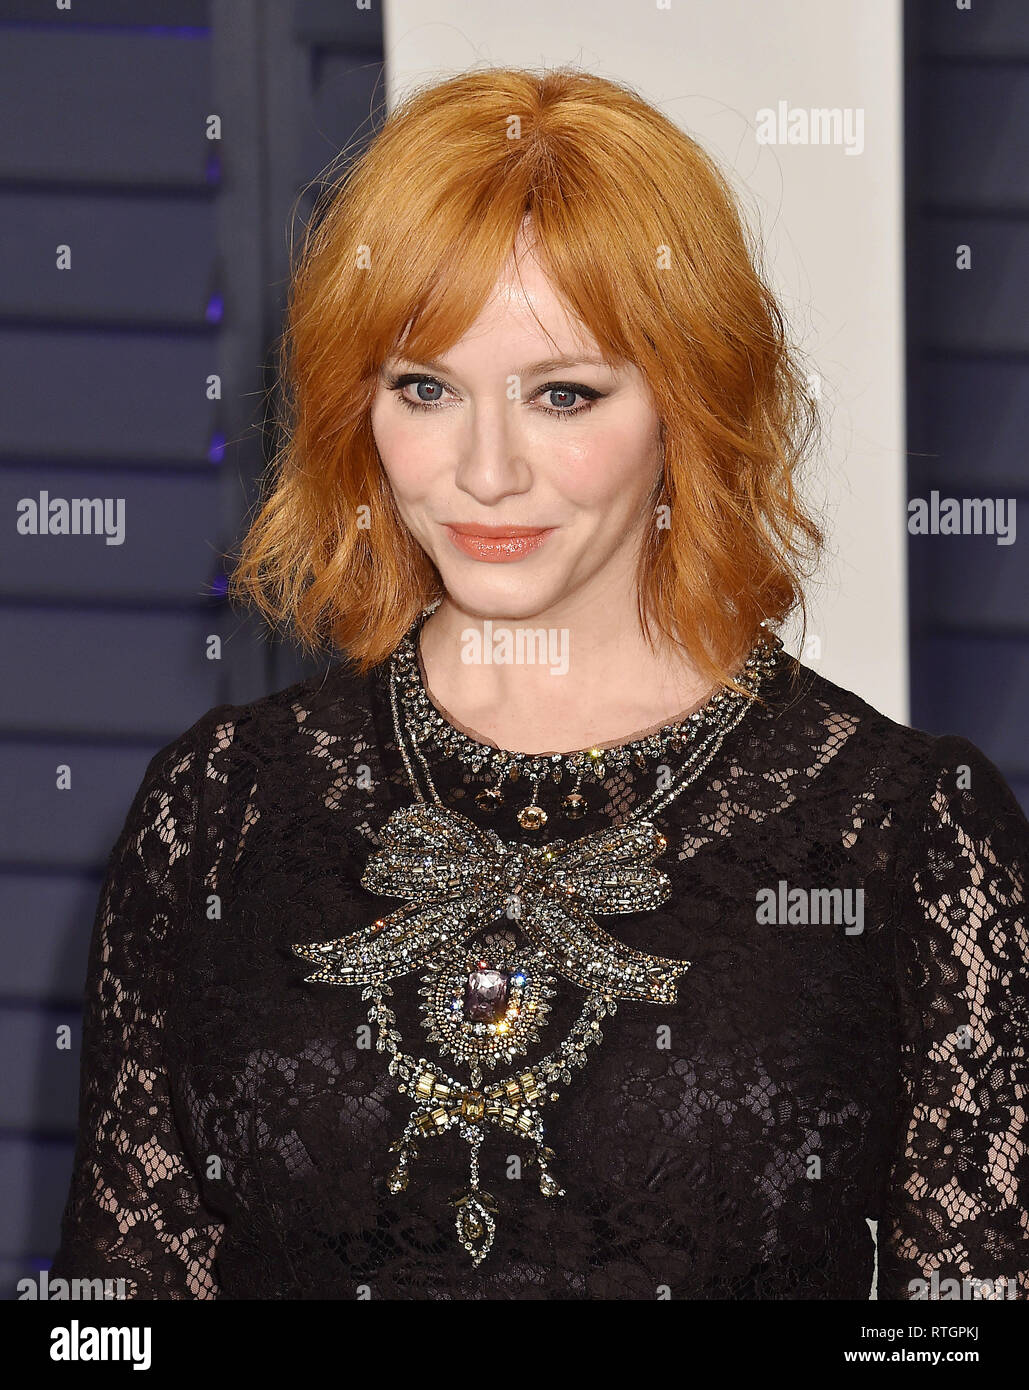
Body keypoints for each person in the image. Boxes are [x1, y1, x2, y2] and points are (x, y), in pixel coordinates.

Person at [50, 66, 1027, 1301]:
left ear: (689, 404)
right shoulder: (216, 806)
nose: (487, 471)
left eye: (564, 393)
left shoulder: (902, 832)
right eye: (425, 389)